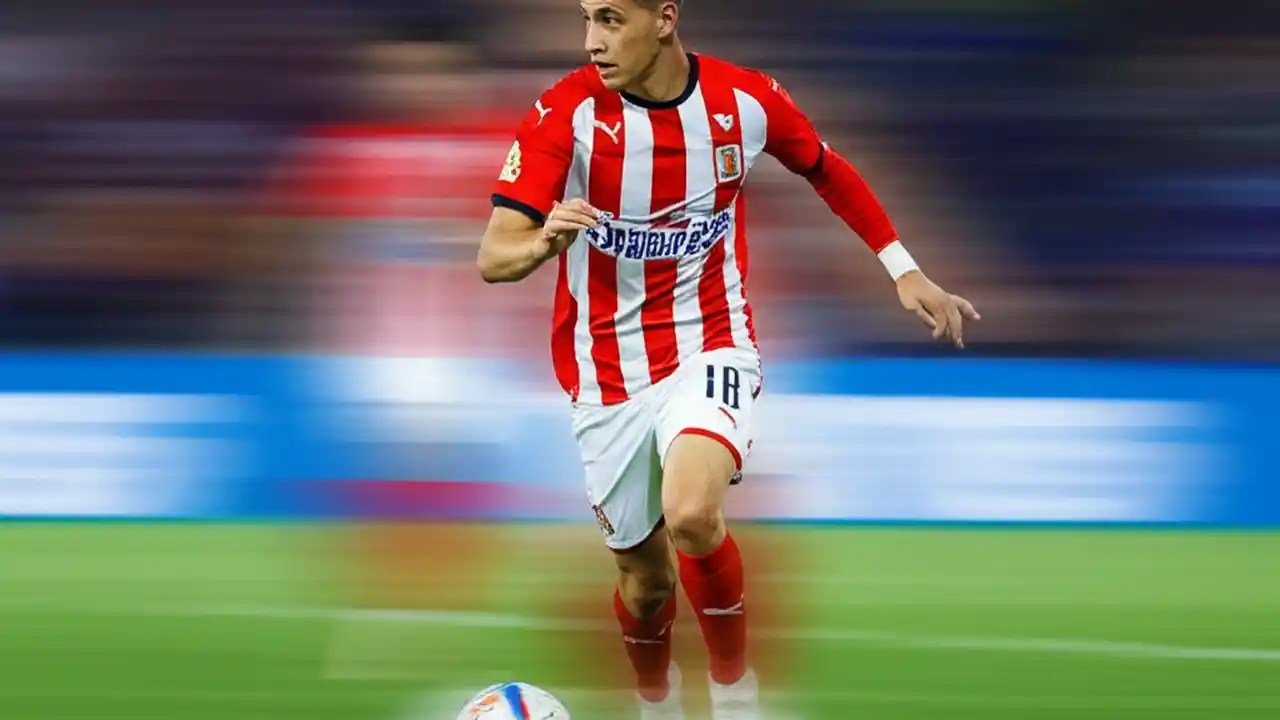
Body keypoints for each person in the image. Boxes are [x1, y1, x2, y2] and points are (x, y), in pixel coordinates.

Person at [477, 1, 980, 717]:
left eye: (612, 20)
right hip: (607, 373)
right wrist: (542, 243)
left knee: (691, 512)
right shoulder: (564, 115)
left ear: (666, 19)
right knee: (645, 585)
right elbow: (494, 256)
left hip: (710, 340)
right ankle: (657, 701)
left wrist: (903, 269)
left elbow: (827, 169)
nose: (593, 40)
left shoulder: (746, 101)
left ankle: (734, 692)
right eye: (588, 18)